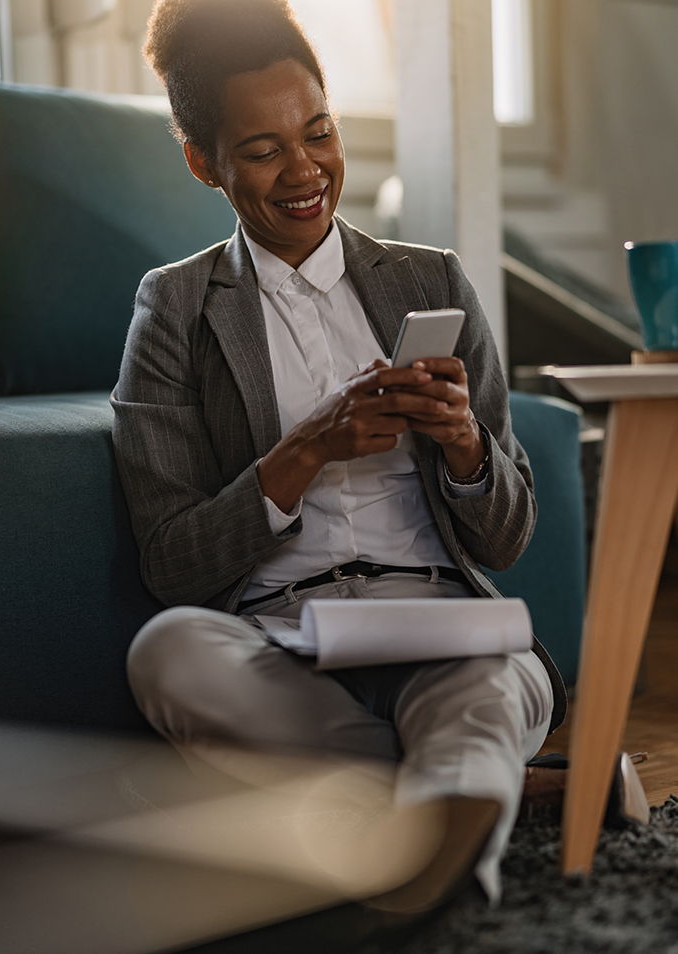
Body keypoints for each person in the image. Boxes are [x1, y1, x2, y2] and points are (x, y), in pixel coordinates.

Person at [111, 0, 566, 913]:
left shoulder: (431, 281)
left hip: (443, 627)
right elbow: (173, 563)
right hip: (283, 636)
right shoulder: (175, 310)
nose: (305, 169)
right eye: (263, 149)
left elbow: (508, 537)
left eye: (318, 132)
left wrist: (466, 444)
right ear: (204, 161)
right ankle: (471, 803)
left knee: (490, 680)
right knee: (168, 652)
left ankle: (396, 842)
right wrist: (308, 447)